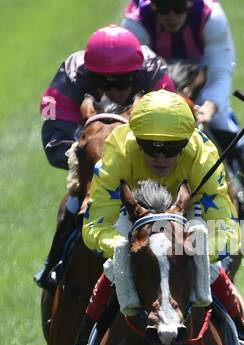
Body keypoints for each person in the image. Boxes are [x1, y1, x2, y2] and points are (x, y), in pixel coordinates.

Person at [66, 90, 244, 345]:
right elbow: (95, 225)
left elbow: (228, 227)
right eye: (150, 147)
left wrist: (196, 250)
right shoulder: (118, 154)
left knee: (209, 267)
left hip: (188, 209)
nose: (160, 156)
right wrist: (123, 246)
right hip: (135, 212)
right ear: (136, 140)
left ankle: (243, 340)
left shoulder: (202, 155)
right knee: (115, 266)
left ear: (186, 143)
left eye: (171, 150)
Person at [36, 25, 174, 290]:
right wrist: (91, 160)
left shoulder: (155, 73)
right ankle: (54, 264)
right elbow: (54, 140)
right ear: (89, 75)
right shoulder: (70, 78)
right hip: (91, 151)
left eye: (123, 82)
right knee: (73, 204)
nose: (114, 90)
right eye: (104, 82)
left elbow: (173, 133)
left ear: (137, 73)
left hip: (140, 154)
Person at [122, 0, 244, 213]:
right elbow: (131, 76)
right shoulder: (135, 23)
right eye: (163, 8)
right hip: (152, 85)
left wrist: (211, 105)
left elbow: (221, 70)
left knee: (222, 121)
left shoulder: (211, 17)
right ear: (152, 6)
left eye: (178, 8)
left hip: (200, 81)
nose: (171, 17)